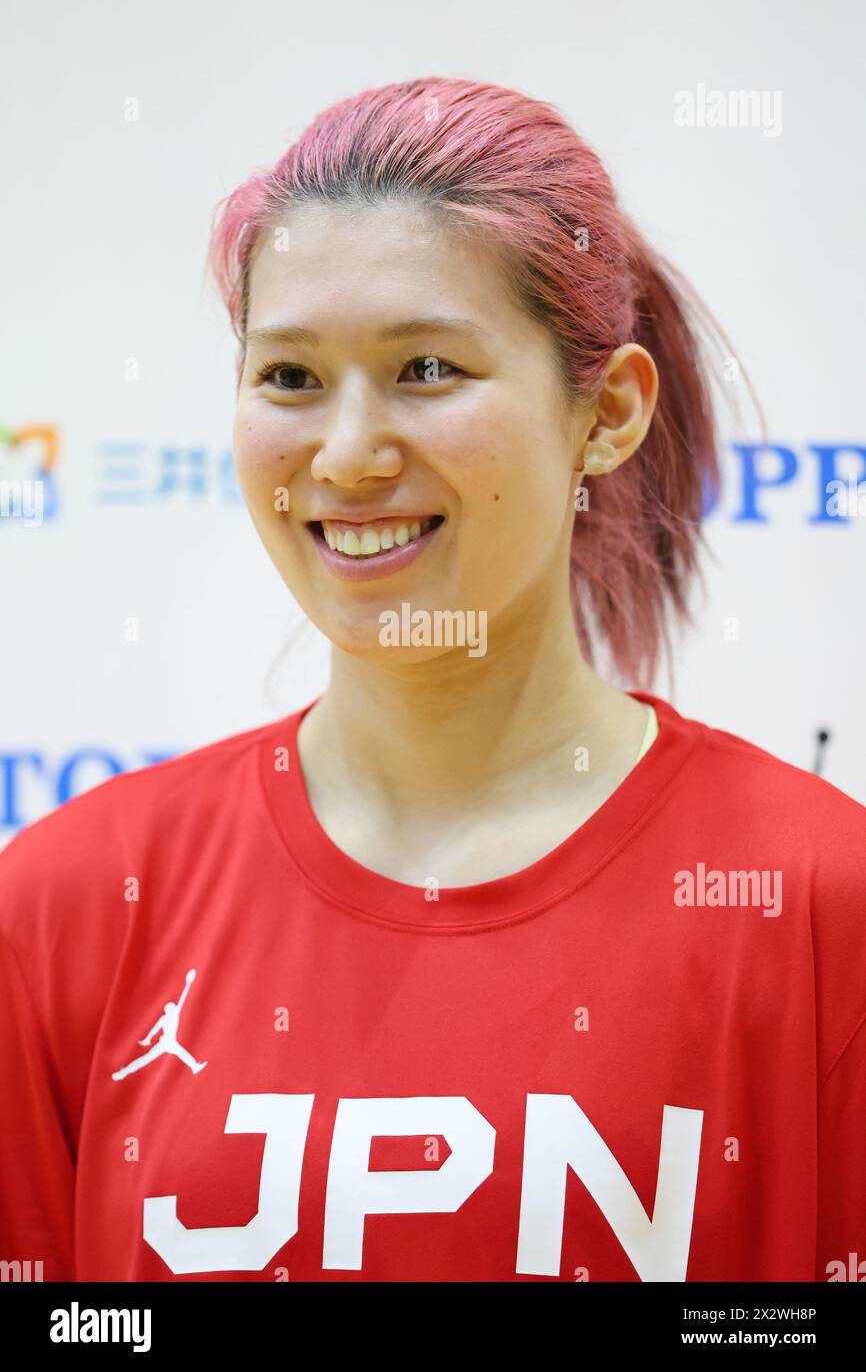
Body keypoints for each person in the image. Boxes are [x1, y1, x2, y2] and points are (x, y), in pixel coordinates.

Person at [0, 76, 863, 1283]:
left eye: (425, 369)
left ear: (605, 411)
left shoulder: (816, 903)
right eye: (290, 378)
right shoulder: (64, 909)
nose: (346, 455)